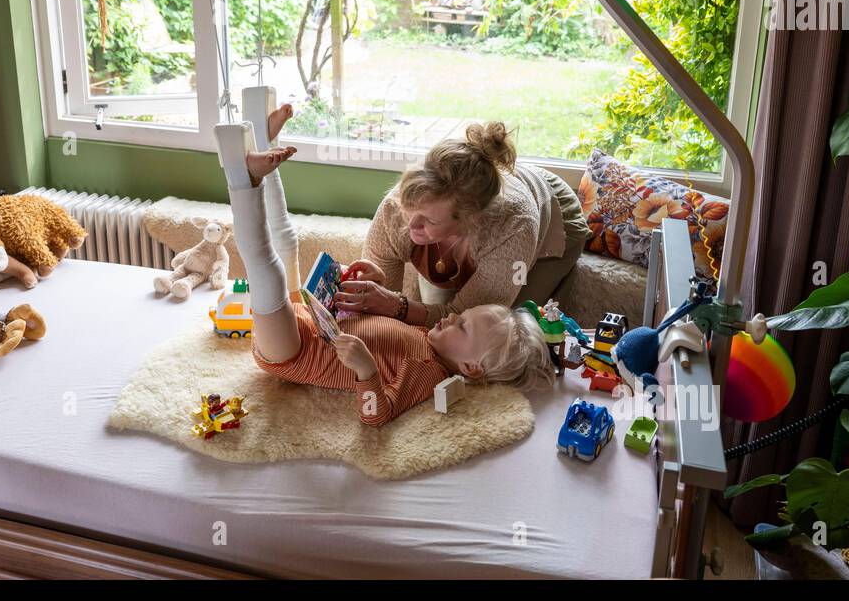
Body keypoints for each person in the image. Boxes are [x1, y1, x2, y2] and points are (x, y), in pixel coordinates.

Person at [214, 89, 552, 427]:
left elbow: (377, 415)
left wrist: (367, 370)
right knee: (287, 243)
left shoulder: (428, 375)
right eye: (410, 212)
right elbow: (384, 311)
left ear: (471, 367)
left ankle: (241, 179)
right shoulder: (426, 332)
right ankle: (263, 140)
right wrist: (372, 282)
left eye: (462, 324)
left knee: (265, 269)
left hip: (297, 353)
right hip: (312, 325)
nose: (411, 225)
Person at [336, 122, 589, 328]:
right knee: (428, 321)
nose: (411, 225)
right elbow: (378, 311)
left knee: (504, 331)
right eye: (409, 207)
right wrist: (376, 295)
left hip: (554, 217)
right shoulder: (399, 206)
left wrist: (397, 306)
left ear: (470, 220)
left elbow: (465, 322)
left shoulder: (513, 227)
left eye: (429, 221)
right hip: (478, 199)